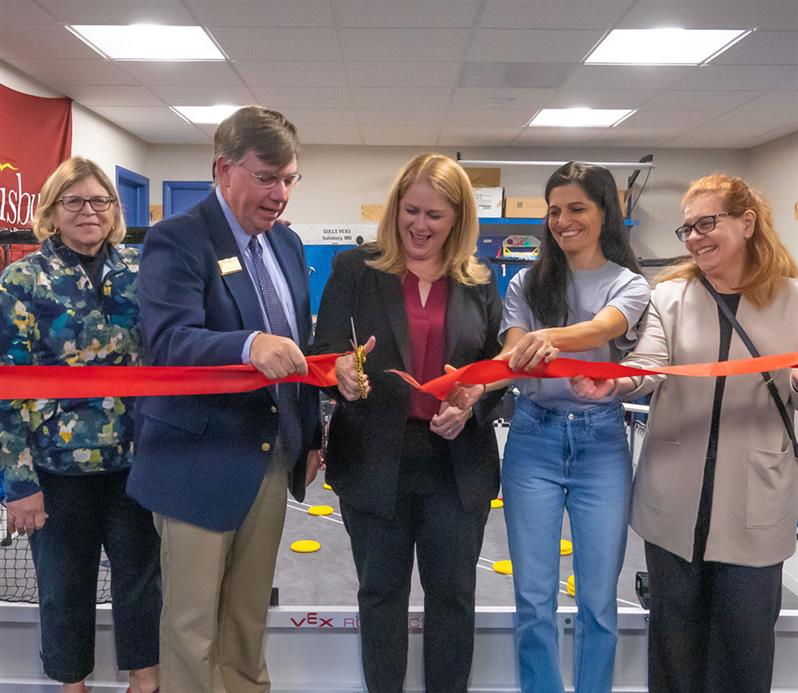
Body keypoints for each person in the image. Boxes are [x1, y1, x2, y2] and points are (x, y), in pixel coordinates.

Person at [573, 174, 798, 693]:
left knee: (744, 653)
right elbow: (648, 364)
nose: (695, 237)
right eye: (688, 228)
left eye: (707, 223)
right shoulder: (670, 296)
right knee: (674, 651)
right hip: (673, 507)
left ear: (747, 222)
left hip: (756, 506)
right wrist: (613, 383)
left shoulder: (792, 300)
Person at [126, 106, 322, 693]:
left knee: (246, 620)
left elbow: (300, 349)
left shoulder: (287, 245)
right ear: (223, 168)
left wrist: (311, 435)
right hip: (196, 459)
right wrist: (248, 344)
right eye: (266, 178)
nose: (280, 194)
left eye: (289, 179)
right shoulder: (177, 239)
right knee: (192, 629)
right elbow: (168, 340)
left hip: (270, 457)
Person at [311, 153, 504, 692]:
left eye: (435, 215)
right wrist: (341, 372)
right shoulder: (356, 269)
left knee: (454, 598)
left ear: (458, 219)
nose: (419, 225)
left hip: (456, 465)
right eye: (410, 210)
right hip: (373, 460)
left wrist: (472, 399)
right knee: (380, 595)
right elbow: (325, 353)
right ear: (395, 208)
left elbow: (496, 366)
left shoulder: (479, 280)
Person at [0, 156, 160, 693]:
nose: (88, 211)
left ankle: (146, 681)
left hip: (136, 462)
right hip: (55, 470)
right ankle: (73, 686)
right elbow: (5, 388)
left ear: (114, 210)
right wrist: (17, 484)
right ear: (52, 210)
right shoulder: (21, 280)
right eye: (74, 201)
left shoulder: (142, 270)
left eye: (99, 200)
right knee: (63, 590)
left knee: (143, 583)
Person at [498, 162, 650, 693]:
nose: (563, 221)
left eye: (577, 208)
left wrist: (548, 339)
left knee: (598, 600)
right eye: (555, 210)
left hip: (600, 443)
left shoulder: (629, 284)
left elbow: (602, 330)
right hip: (532, 440)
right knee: (533, 598)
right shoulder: (526, 282)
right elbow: (512, 351)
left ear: (605, 212)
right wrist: (478, 380)